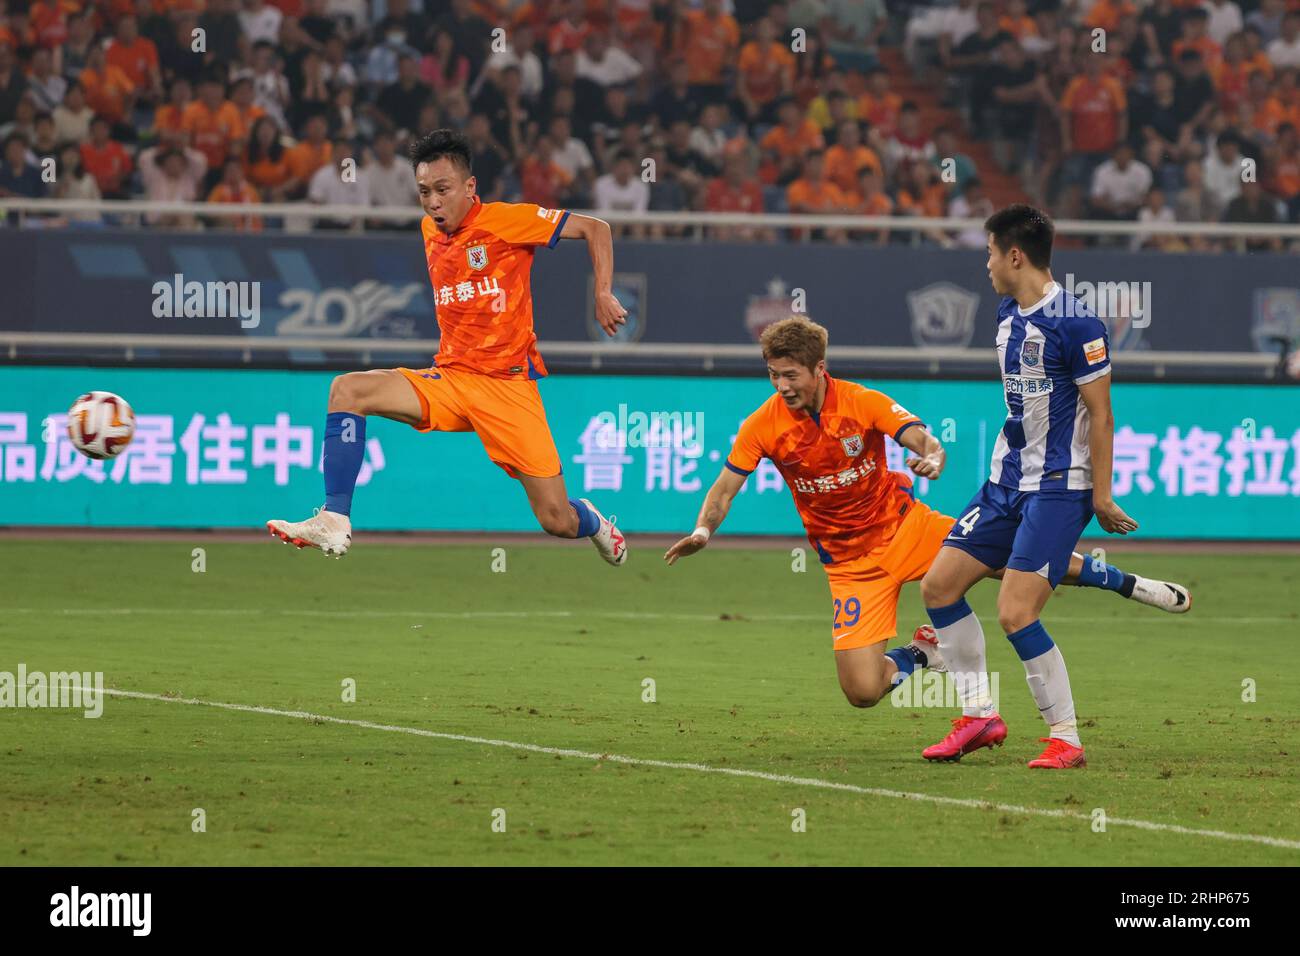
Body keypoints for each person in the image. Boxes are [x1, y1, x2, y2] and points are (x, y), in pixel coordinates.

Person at [665, 316, 1190, 721]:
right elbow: (725, 486)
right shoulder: (763, 425)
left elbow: (918, 437)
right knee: (862, 692)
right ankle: (921, 653)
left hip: (906, 529)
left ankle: (1128, 584)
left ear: (818, 368)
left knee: (1019, 563)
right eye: (773, 374)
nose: (781, 385)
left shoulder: (861, 401)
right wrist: (703, 529)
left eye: (790, 374)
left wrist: (933, 458)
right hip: (849, 566)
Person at [267, 128, 631, 567]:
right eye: (424, 192)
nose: (433, 202)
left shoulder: (506, 220)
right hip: (453, 380)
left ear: (469, 187)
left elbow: (597, 228)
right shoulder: (429, 228)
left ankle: (591, 519)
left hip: (508, 389)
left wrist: (603, 293)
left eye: (443, 190)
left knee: (556, 519)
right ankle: (334, 516)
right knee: (348, 390)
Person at [918, 205, 1143, 770]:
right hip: (1004, 482)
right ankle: (979, 716)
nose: (986, 265)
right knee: (939, 586)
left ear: (1014, 255)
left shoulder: (1078, 324)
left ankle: (1066, 738)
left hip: (1059, 489)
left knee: (1015, 611)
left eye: (990, 253)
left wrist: (1102, 494)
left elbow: (1102, 413)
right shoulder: (1006, 312)